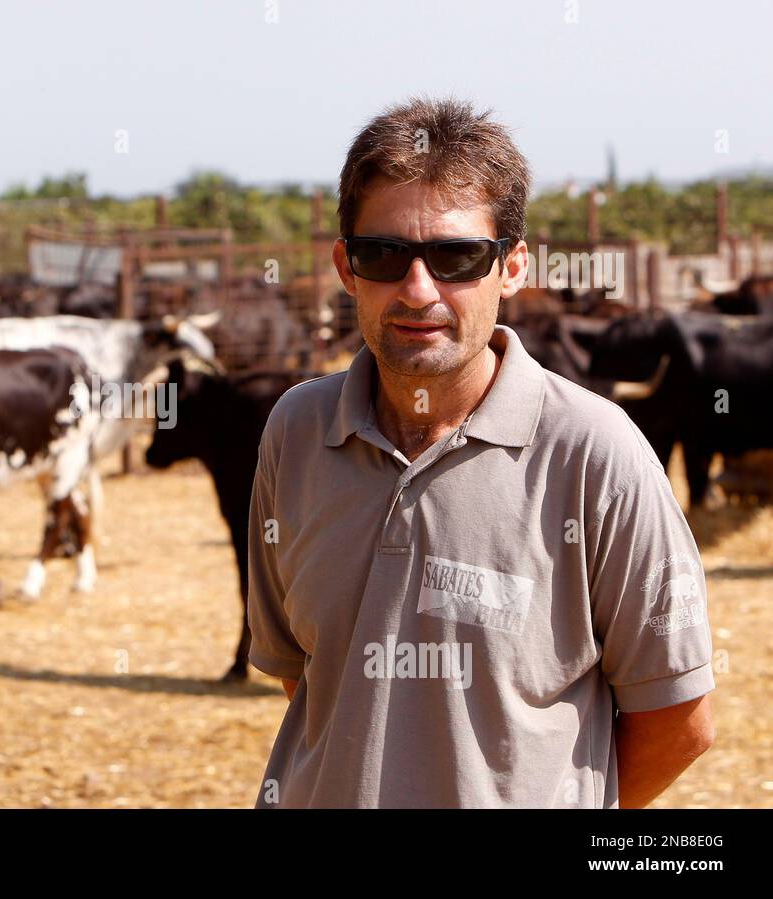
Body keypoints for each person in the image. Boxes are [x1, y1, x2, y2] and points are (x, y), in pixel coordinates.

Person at [247, 97, 714, 808]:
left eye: (457, 257)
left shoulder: (595, 452)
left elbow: (678, 722)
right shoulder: (298, 430)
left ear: (512, 266)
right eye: (384, 254)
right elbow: (312, 678)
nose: (418, 291)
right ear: (346, 266)